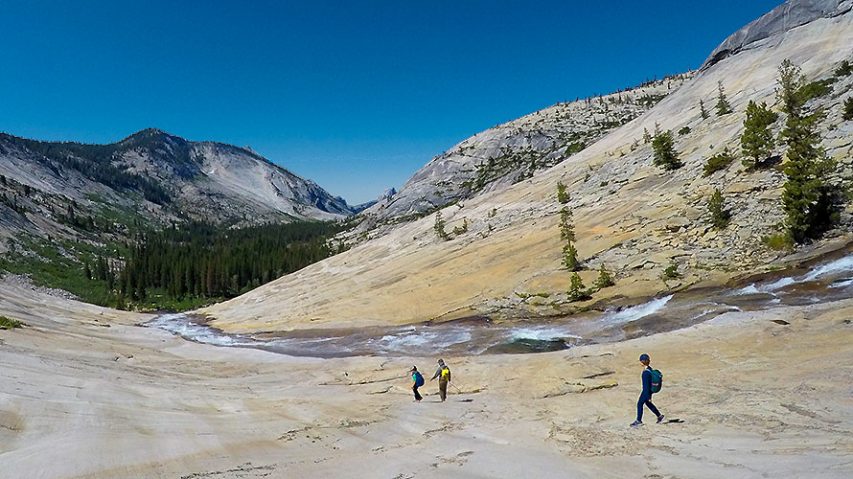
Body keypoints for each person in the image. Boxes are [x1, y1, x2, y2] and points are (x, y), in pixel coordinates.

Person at [631, 353, 664, 427]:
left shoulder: (645, 373)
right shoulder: (649, 369)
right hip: (649, 391)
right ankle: (659, 416)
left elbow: (645, 386)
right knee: (648, 403)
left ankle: (638, 420)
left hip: (646, 391)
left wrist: (648, 396)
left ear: (642, 361)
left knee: (640, 404)